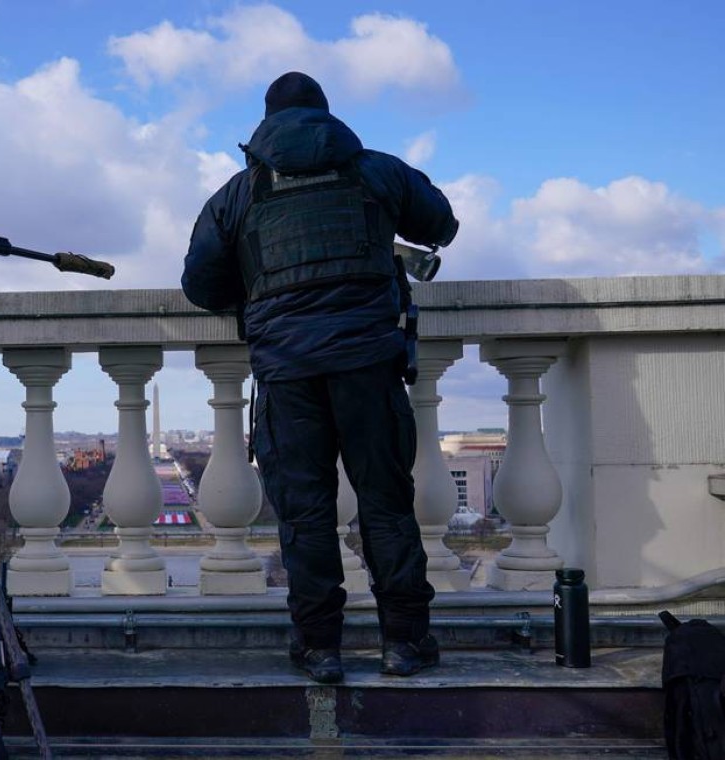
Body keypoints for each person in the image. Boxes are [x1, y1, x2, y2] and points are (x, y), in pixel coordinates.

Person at [182, 72, 459, 684]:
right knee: (387, 506)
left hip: (286, 374)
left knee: (305, 516)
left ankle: (320, 649)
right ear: (327, 117)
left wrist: (257, 280)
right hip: (368, 366)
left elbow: (201, 284)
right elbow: (441, 223)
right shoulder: (375, 171)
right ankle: (404, 643)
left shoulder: (238, 194)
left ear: (265, 126)